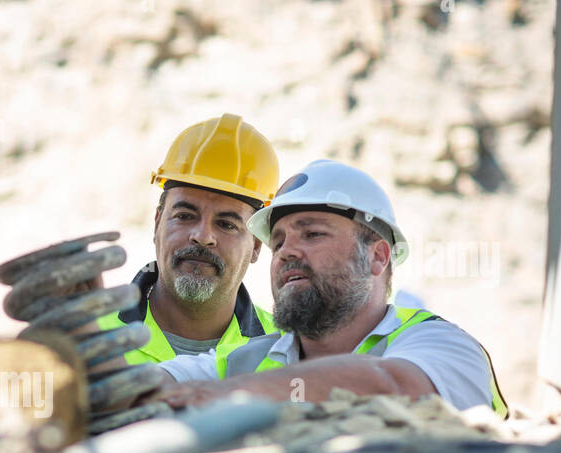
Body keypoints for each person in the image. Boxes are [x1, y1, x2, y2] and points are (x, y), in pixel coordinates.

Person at [151, 159, 508, 416]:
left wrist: (211, 397)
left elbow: (394, 387)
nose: (287, 251)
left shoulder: (442, 345)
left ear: (378, 257)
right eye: (278, 241)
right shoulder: (247, 360)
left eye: (312, 234)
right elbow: (153, 386)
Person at [97, 114, 280, 376]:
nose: (203, 236)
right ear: (157, 223)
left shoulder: (284, 352)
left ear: (257, 246)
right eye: (185, 216)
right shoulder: (89, 335)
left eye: (227, 224)